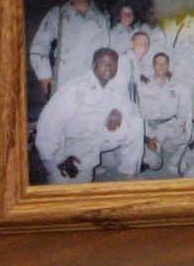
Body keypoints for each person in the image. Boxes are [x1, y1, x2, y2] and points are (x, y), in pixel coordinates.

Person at [34, 48, 140, 183]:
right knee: (70, 196)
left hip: (97, 141)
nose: (109, 67)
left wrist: (119, 111)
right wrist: (55, 162)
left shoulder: (113, 88)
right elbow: (48, 125)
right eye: (104, 63)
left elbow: (132, 108)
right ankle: (59, 173)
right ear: (93, 65)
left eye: (113, 63)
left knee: (136, 123)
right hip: (71, 148)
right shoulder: (75, 88)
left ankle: (129, 173)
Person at [27, 0, 109, 103]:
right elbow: (38, 47)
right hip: (64, 83)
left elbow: (107, 52)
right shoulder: (57, 14)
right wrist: (45, 77)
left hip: (93, 83)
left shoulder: (101, 17)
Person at [135, 49, 191, 176]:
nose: (161, 66)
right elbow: (137, 112)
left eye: (164, 63)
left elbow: (185, 106)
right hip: (151, 127)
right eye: (158, 63)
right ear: (153, 65)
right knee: (154, 164)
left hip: (170, 124)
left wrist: (182, 122)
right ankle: (159, 147)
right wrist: (146, 137)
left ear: (168, 65)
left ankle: (174, 155)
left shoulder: (177, 85)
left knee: (190, 136)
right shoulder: (142, 84)